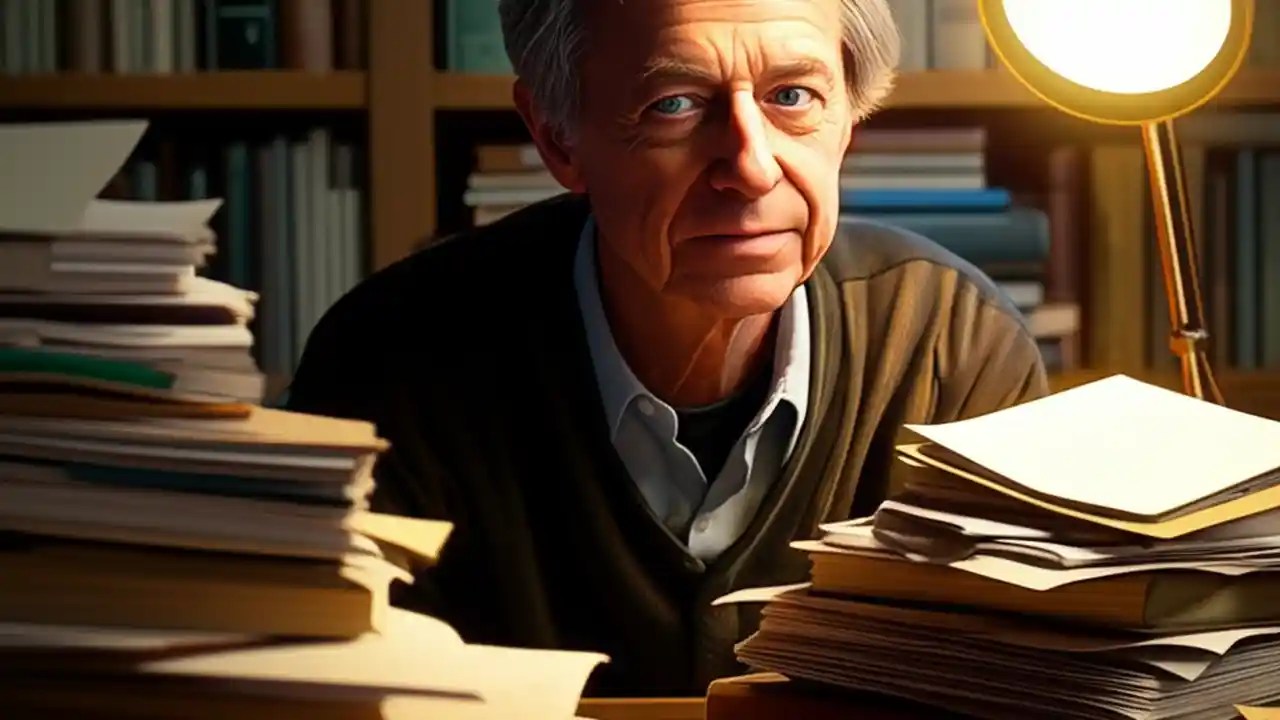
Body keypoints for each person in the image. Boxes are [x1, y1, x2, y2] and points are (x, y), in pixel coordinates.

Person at [286, 0, 1048, 698]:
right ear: (558, 137)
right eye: (674, 105)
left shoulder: (953, 345)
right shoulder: (391, 363)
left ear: (849, 117)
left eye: (792, 97)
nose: (751, 166)